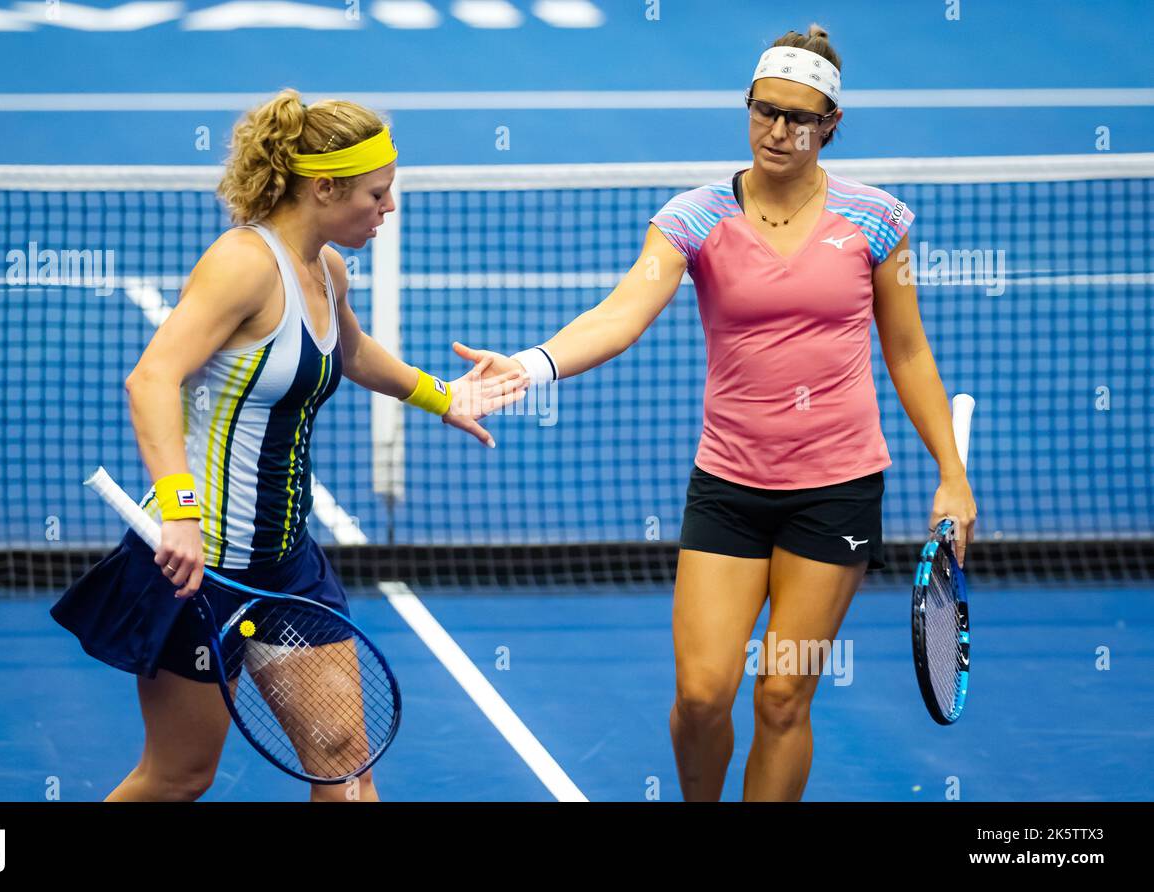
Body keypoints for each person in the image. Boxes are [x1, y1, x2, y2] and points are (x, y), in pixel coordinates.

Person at [458, 24, 978, 801]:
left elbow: (908, 353)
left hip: (836, 492)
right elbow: (623, 311)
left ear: (831, 124)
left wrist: (952, 475)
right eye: (765, 110)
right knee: (702, 698)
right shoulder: (693, 217)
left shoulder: (879, 222)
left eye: (799, 117)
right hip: (729, 489)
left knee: (780, 696)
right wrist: (534, 365)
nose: (778, 130)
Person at [51, 89, 526, 802]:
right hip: (197, 567)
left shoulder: (327, 269)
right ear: (325, 187)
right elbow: (151, 378)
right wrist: (179, 513)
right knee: (180, 777)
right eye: (378, 194)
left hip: (286, 566)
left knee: (346, 766)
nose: (388, 209)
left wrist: (443, 395)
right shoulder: (241, 265)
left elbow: (352, 350)